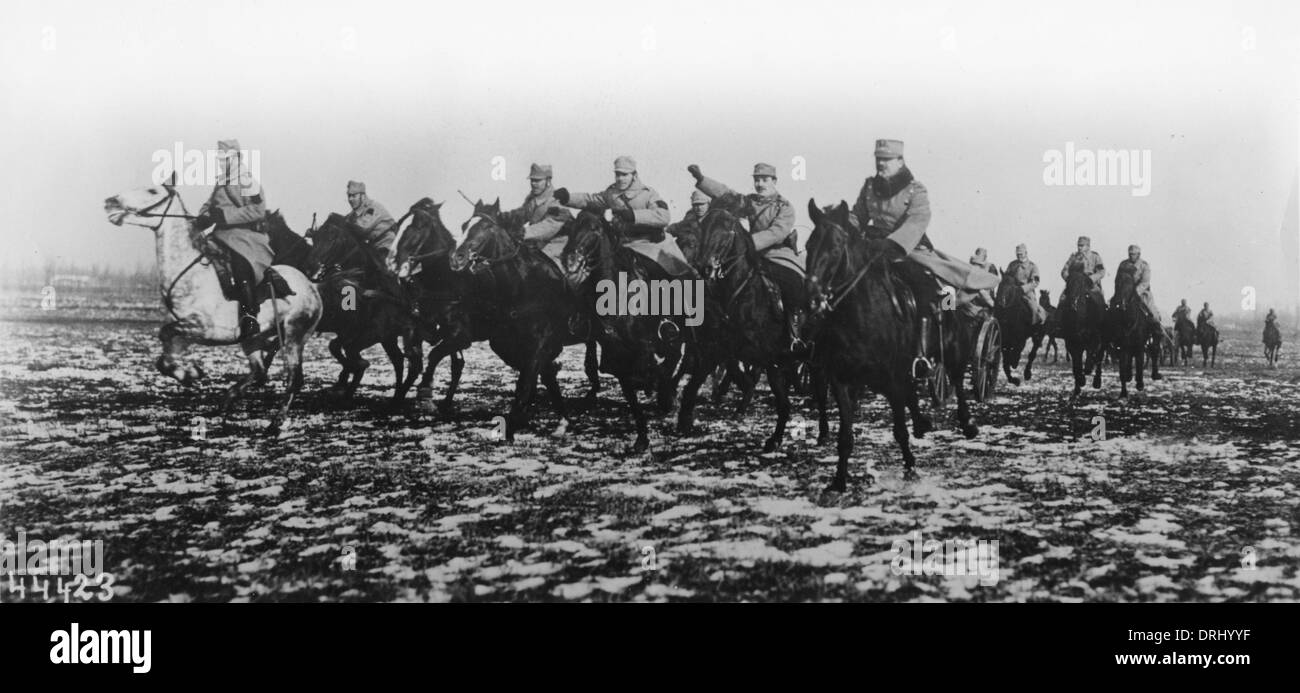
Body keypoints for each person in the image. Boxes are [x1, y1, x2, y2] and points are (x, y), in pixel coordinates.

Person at [847, 139, 1000, 376]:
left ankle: (921, 356)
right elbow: (858, 215)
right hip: (872, 249)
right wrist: (843, 226)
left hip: (907, 252)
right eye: (878, 159)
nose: (881, 164)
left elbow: (917, 221)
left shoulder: (915, 190)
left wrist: (892, 244)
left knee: (929, 293)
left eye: (886, 160)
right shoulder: (869, 187)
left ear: (900, 161)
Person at [688, 162, 806, 346]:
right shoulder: (750, 202)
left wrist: (748, 243)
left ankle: (794, 336)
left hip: (779, 255)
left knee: (791, 286)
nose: (760, 184)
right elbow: (726, 194)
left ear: (774, 181)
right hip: (751, 255)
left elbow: (778, 232)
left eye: (764, 180)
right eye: (757, 180)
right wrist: (702, 180)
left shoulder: (784, 206)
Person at [555, 156, 693, 278]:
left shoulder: (648, 194)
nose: (620, 178)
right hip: (623, 245)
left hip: (650, 245)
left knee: (668, 276)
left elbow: (663, 216)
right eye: (617, 174)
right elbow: (591, 200)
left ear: (634, 175)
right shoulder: (612, 193)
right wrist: (568, 198)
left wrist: (634, 215)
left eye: (624, 175)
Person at [194, 138, 270, 341]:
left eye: (225, 158)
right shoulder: (221, 181)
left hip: (245, 236)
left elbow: (258, 210)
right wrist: (203, 218)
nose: (221, 162)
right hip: (220, 234)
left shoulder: (247, 180)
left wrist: (226, 216)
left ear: (236, 158)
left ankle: (249, 316)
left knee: (240, 262)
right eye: (219, 158)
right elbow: (209, 206)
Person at [501, 163, 572, 267]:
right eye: (532, 180)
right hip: (536, 242)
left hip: (556, 246)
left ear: (548, 181)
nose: (533, 183)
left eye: (537, 180)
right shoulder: (533, 198)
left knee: (540, 270)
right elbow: (523, 214)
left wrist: (522, 233)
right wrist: (502, 217)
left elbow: (548, 227)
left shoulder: (557, 200)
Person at [344, 180, 397, 263]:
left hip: (387, 246)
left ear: (363, 196)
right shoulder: (354, 214)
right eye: (349, 196)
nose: (350, 199)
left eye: (354, 196)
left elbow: (363, 228)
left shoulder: (373, 208)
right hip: (373, 248)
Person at [1113, 244, 1162, 330]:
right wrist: (1118, 292)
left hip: (1141, 293)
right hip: (1124, 293)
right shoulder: (1123, 264)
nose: (1131, 256)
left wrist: (1136, 291)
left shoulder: (1144, 265)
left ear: (1138, 254)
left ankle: (1156, 332)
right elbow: (1117, 280)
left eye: (1133, 254)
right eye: (1130, 254)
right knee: (1112, 310)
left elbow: (1145, 282)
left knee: (1152, 313)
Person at [1001, 244, 1047, 324]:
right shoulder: (1012, 264)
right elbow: (1007, 278)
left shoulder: (1032, 266)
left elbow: (1035, 282)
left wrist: (1023, 289)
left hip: (1026, 293)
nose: (1019, 256)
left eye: (1021, 254)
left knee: (1033, 308)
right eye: (1017, 254)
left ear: (1026, 253)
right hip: (1012, 291)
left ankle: (1035, 327)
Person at [1059, 235, 1106, 309]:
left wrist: (1091, 279)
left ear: (1088, 246)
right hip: (1074, 283)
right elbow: (1064, 270)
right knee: (1062, 301)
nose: (1079, 248)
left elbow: (1101, 271)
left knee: (1099, 301)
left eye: (1082, 246)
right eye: (1078, 245)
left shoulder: (1095, 257)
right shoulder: (1073, 257)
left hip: (1089, 284)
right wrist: (1069, 279)